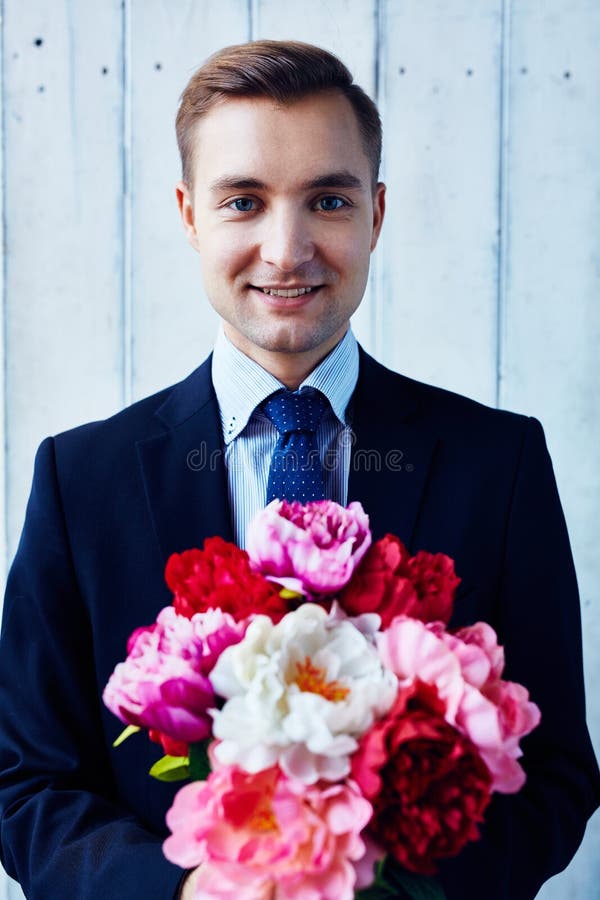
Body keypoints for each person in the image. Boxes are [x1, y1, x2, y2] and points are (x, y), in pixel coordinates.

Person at [0, 40, 598, 900]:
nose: (287, 250)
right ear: (189, 214)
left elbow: (554, 774)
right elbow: (28, 783)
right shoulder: (79, 480)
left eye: (327, 199)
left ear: (376, 214)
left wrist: (385, 889)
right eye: (243, 201)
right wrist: (185, 893)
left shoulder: (497, 464)